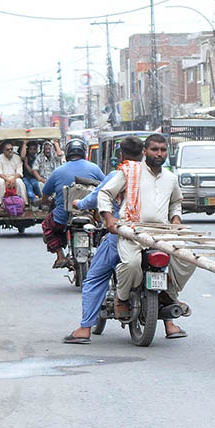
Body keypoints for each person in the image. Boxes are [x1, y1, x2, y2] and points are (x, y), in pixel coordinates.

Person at [97, 133, 195, 339]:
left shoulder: (170, 178)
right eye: (154, 149)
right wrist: (109, 219)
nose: (159, 154)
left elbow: (176, 202)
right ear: (145, 151)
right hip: (132, 231)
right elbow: (105, 193)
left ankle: (169, 291)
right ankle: (121, 299)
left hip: (162, 233)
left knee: (188, 259)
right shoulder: (131, 172)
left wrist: (176, 218)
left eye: (163, 150)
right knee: (131, 264)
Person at [63, 136, 149, 344]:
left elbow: (99, 196)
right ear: (144, 153)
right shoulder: (156, 175)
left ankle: (85, 328)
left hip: (122, 233)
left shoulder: (119, 173)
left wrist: (79, 203)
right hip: (153, 235)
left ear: (121, 155)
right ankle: (170, 324)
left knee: (95, 278)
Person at [41, 139, 105, 269]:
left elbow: (45, 193)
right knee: (105, 232)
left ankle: (60, 255)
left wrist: (45, 202)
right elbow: (107, 187)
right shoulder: (94, 168)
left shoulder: (58, 171)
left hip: (63, 218)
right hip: (92, 216)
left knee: (47, 225)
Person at [20, 141, 42, 207]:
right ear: (27, 149)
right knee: (28, 186)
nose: (32, 151)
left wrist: (26, 165)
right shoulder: (26, 157)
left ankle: (42, 201)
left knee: (36, 185)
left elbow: (33, 172)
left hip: (34, 177)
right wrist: (24, 143)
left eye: (34, 149)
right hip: (25, 177)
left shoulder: (38, 158)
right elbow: (22, 156)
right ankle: (33, 199)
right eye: (31, 149)